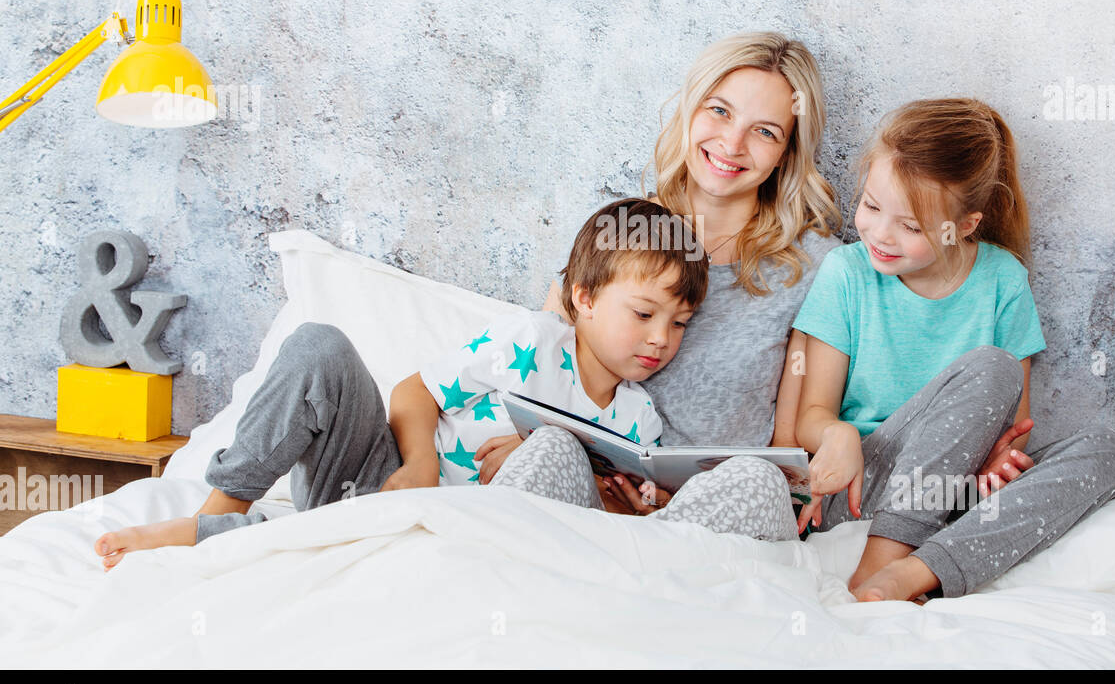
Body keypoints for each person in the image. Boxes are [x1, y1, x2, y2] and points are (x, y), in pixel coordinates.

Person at [93, 197, 707, 569]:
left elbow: (602, 518)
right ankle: (218, 513)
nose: (661, 339)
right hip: (382, 477)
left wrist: (629, 499)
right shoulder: (533, 340)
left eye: (679, 324)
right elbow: (416, 390)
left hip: (468, 540)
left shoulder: (640, 420)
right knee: (318, 345)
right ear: (584, 297)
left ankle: (245, 538)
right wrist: (416, 464)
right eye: (645, 314)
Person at [473, 31, 861, 531]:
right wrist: (534, 447)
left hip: (710, 515)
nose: (732, 143)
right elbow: (546, 366)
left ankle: (653, 576)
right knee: (546, 446)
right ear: (690, 112)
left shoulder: (813, 267)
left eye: (765, 131)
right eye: (719, 111)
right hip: (592, 496)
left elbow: (785, 447)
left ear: (787, 152)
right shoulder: (621, 231)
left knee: (759, 482)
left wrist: (668, 500)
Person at [791, 97, 1115, 602]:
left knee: (1110, 450)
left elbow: (1011, 424)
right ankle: (881, 564)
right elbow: (810, 416)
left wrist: (1003, 461)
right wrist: (836, 433)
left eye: (910, 226)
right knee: (992, 366)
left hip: (957, 491)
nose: (879, 235)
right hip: (866, 485)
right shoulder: (847, 273)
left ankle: (917, 572)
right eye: (870, 206)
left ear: (966, 225)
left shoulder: (1003, 280)